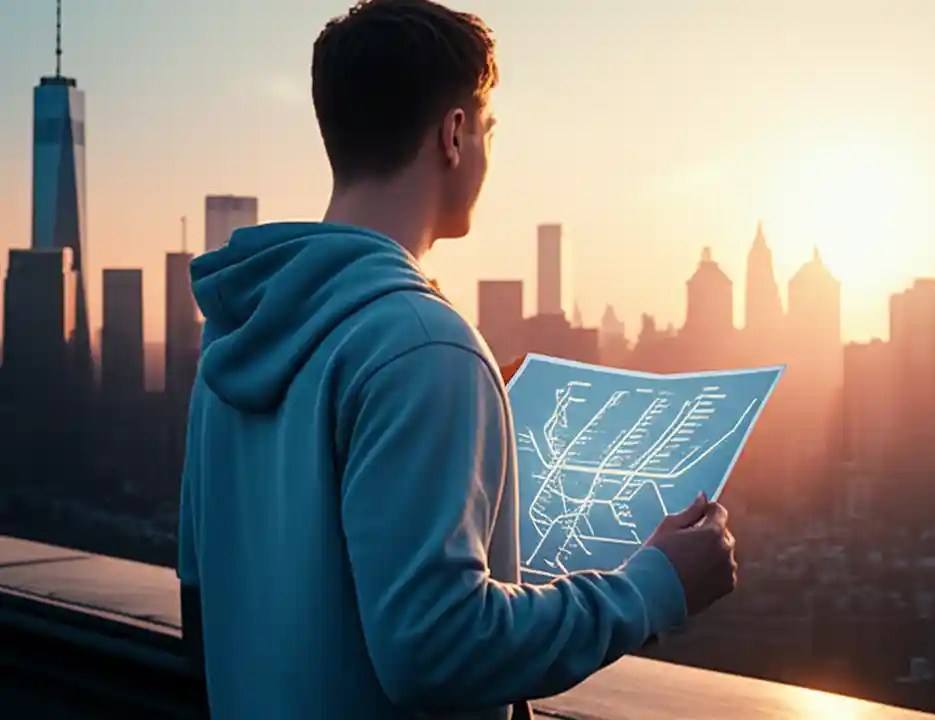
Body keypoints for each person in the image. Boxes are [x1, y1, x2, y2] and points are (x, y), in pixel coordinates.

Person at [176, 1, 737, 718]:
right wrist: (654, 588)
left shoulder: (238, 330)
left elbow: (202, 595)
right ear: (453, 134)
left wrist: (463, 420)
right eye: (488, 129)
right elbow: (435, 648)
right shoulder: (422, 347)